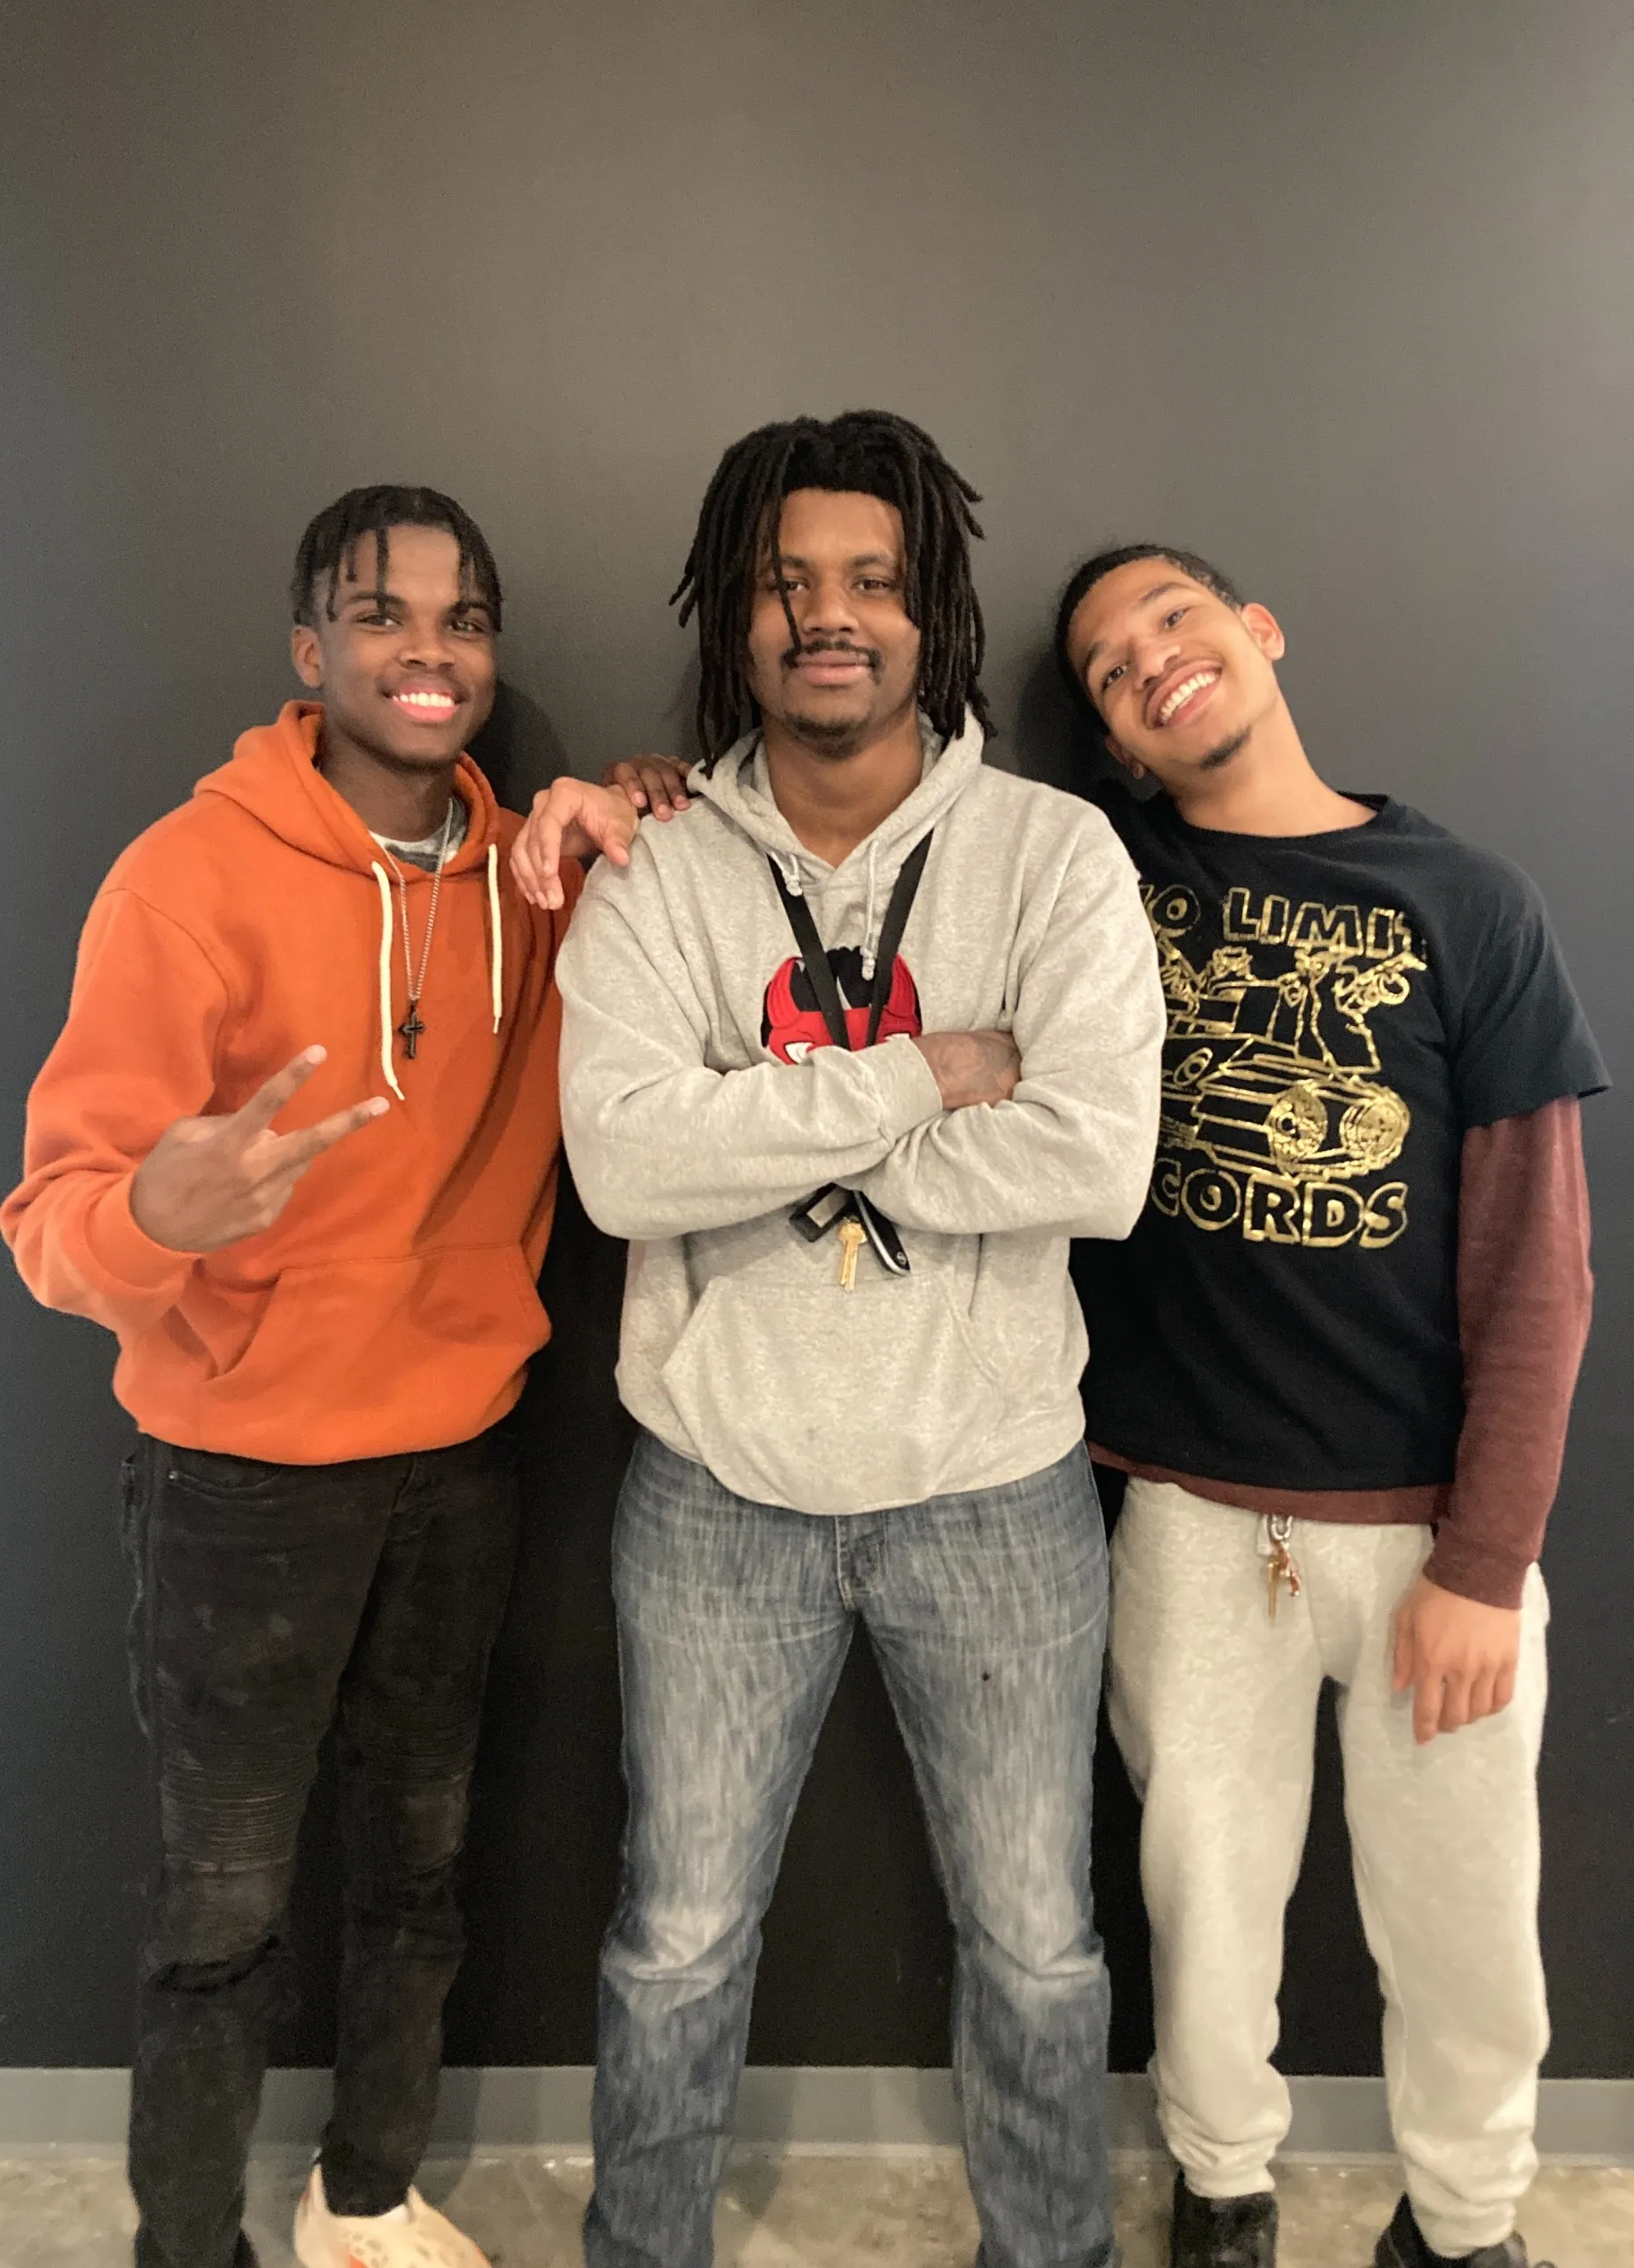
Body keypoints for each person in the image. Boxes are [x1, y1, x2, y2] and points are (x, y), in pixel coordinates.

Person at [509, 409, 1165, 2268]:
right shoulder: (657, 864)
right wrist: (926, 1076)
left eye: (874, 579)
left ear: (932, 608)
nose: (830, 615)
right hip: (719, 1490)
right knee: (674, 1939)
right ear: (734, 615)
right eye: (787, 581)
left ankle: (1051, 2247)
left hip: (998, 1486)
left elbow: (1097, 1162)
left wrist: (762, 1112)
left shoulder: (1052, 854)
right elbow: (626, 1164)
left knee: (1040, 1945)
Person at [0, 485, 621, 2268]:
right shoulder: (184, 878)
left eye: (463, 619)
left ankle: (364, 2197)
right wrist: (154, 1211)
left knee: (420, 1872)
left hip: (461, 1463)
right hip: (238, 1480)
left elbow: (695, 845)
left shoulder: (538, 876)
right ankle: (185, 2242)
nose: (430, 650)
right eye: (381, 613)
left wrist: (634, 795)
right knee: (222, 1913)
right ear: (308, 648)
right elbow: (49, 1223)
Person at [1052, 547, 1606, 2268]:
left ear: (1259, 628)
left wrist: (1487, 1557)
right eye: (1108, 668)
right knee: (1203, 1902)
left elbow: (1539, 1268)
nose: (1151, 661)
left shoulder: (1467, 898)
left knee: (1465, 1920)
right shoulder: (1095, 872)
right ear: (1115, 742)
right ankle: (1222, 2184)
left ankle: (1464, 2219)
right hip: (1191, 1515)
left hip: (1431, 1529)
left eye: (1174, 618)